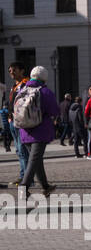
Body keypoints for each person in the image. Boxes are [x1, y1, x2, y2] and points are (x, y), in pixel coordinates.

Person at [14, 66, 59, 196]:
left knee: (36, 159)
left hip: (24, 130)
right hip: (40, 131)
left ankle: (45, 186)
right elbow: (54, 111)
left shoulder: (22, 89)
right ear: (44, 78)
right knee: (34, 160)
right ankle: (23, 187)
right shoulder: (45, 92)